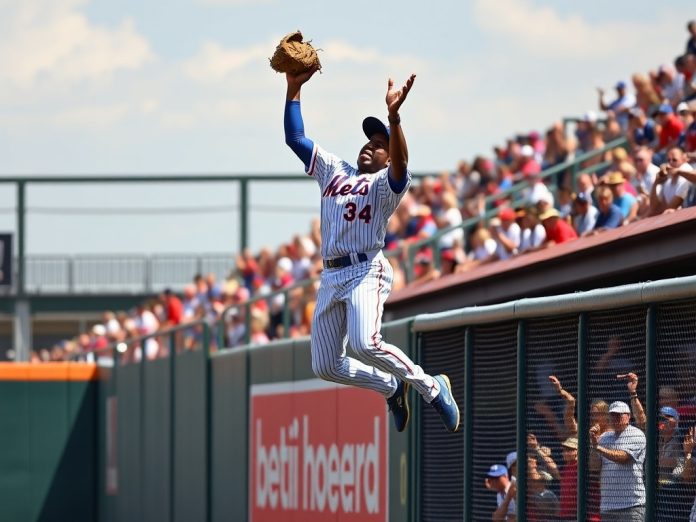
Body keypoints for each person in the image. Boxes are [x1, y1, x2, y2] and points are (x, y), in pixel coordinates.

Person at [282, 67, 459, 433]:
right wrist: (293, 89)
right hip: (331, 274)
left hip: (365, 269)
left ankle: (431, 387)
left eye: (379, 144)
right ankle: (391, 387)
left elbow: (401, 164)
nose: (371, 146)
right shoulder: (334, 170)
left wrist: (394, 119)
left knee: (365, 343)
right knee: (325, 365)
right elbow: (295, 137)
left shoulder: (384, 185)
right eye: (369, 140)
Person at [589, 401, 646, 521]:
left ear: (628, 416)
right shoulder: (605, 437)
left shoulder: (636, 434)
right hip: (607, 505)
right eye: (613, 415)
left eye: (619, 415)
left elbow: (623, 458)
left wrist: (598, 447)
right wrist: (593, 444)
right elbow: (593, 467)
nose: (616, 418)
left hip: (631, 504)